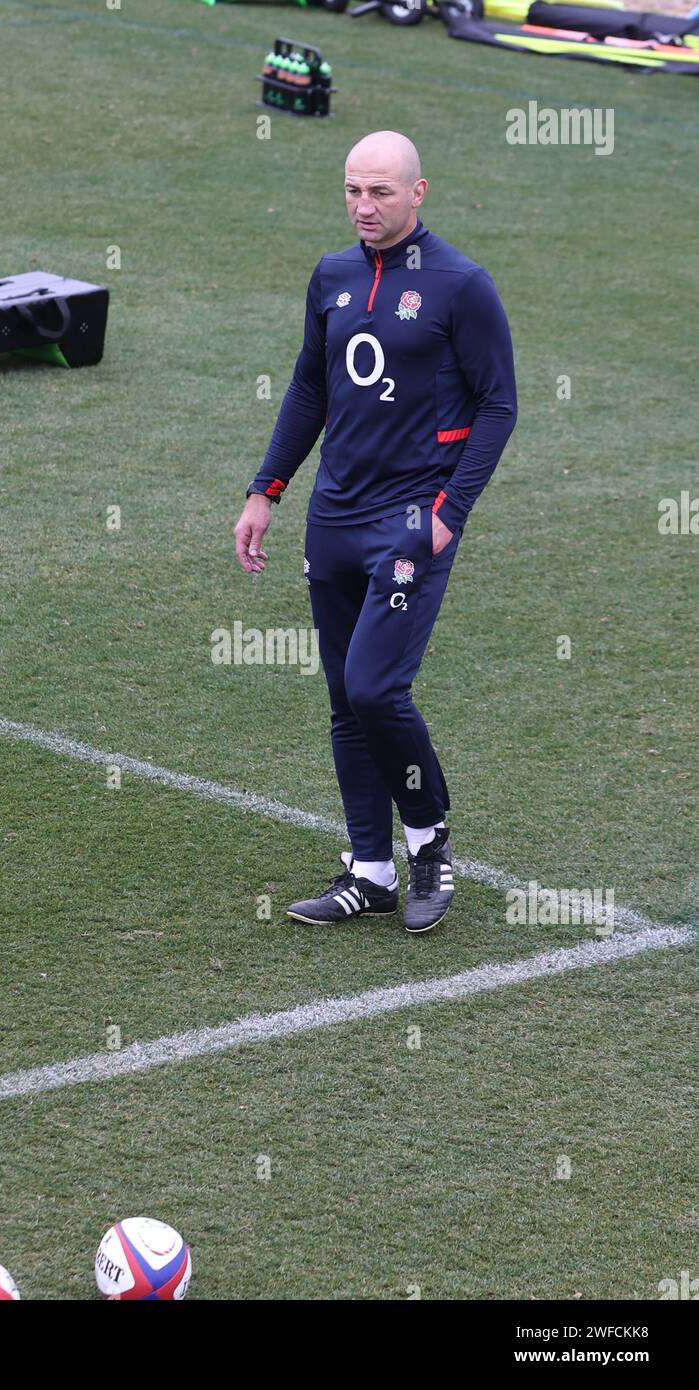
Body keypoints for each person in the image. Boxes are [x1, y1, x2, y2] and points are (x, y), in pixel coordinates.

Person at [233, 131, 517, 933]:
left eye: (380, 193)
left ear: (417, 193)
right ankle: (369, 870)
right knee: (340, 698)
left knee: (374, 688)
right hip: (334, 518)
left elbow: (499, 405)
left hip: (407, 526)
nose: (363, 207)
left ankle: (428, 843)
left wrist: (447, 516)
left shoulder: (462, 286)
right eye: (353, 191)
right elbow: (309, 386)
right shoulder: (331, 274)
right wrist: (266, 491)